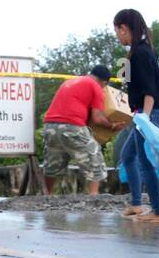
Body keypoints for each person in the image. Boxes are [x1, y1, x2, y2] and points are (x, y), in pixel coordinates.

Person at [113, 9, 159, 219]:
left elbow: (149, 91)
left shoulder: (140, 53)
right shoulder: (143, 51)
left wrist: (143, 120)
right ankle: (137, 204)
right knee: (127, 156)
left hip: (150, 113)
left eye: (117, 30)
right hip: (146, 113)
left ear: (124, 28)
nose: (117, 35)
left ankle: (157, 213)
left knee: (144, 162)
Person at [42, 65, 122, 195]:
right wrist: (111, 126)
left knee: (52, 165)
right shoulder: (95, 86)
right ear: (104, 82)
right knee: (94, 158)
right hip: (71, 127)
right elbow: (97, 118)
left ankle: (46, 195)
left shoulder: (71, 81)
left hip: (50, 126)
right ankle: (94, 197)